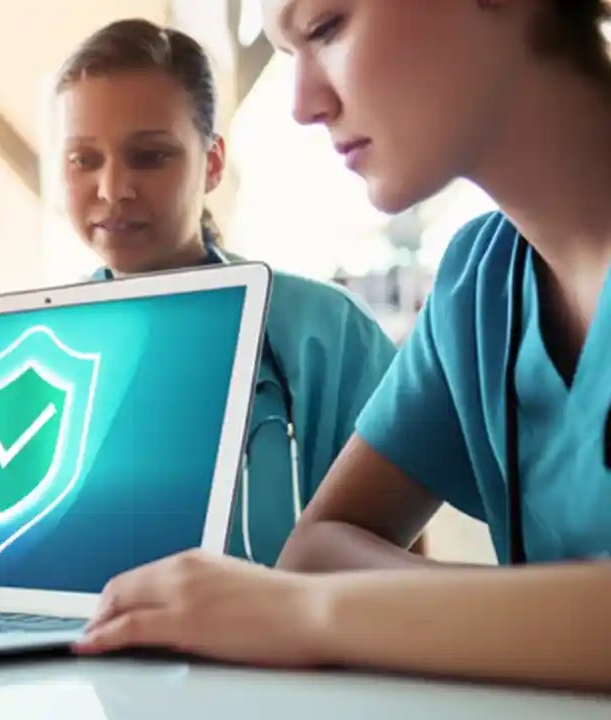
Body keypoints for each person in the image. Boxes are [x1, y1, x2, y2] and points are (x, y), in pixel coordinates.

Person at [75, 0, 611, 693]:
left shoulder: (329, 323)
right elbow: (319, 550)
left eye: (328, 27)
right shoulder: (479, 285)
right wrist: (545, 620)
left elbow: (311, 588)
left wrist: (305, 614)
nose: (302, 105)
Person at [55, 19, 397, 566]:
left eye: (150, 156)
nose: (113, 189)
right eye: (83, 159)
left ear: (211, 163)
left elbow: (393, 565)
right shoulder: (45, 342)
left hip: (278, 649)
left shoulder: (323, 332)